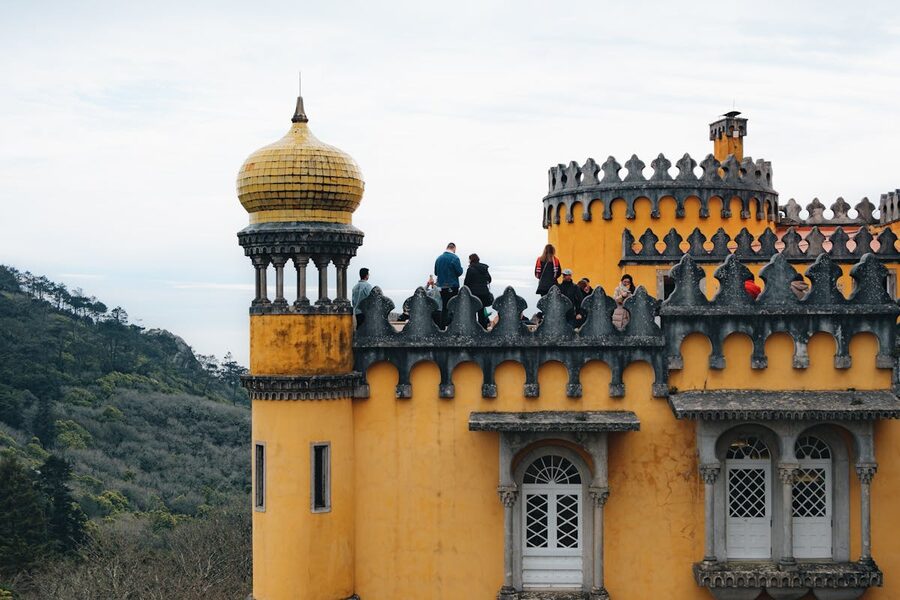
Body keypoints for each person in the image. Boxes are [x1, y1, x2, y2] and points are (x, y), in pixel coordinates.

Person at [434, 243, 463, 327]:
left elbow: (436, 272)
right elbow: (459, 272)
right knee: (453, 306)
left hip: (441, 286)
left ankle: (442, 327)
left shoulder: (438, 258)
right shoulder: (455, 258)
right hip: (452, 286)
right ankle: (452, 327)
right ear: (454, 248)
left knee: (444, 307)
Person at [463, 253, 493, 329]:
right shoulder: (484, 268)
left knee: (472, 312)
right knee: (481, 312)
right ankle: (483, 328)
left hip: (473, 294)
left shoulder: (470, 269)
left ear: (471, 260)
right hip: (484, 293)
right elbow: (489, 279)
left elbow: (466, 282)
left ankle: (473, 328)